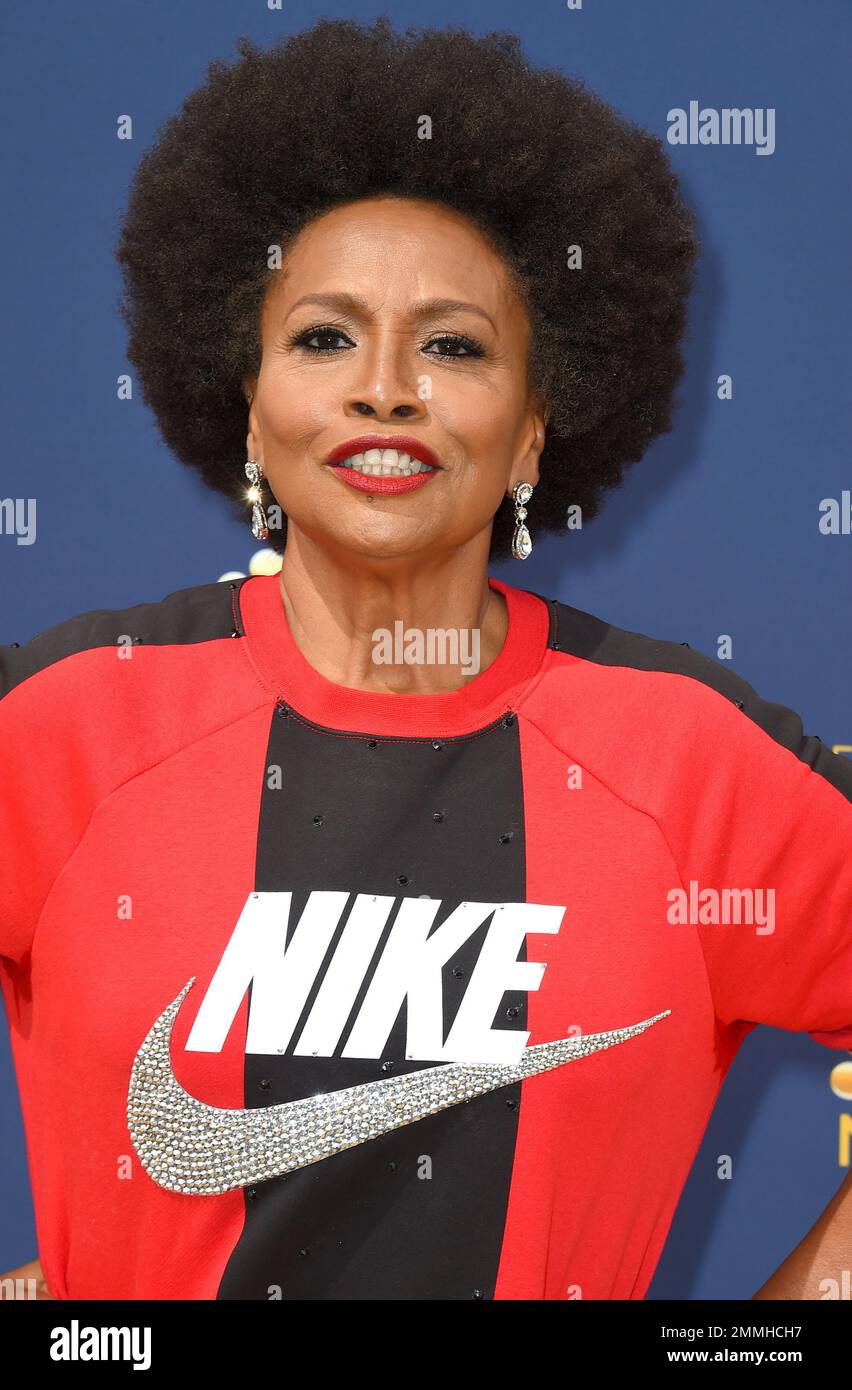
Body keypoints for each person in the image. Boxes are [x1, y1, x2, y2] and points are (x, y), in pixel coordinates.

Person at [1, 17, 850, 1302]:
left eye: (453, 346)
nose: (385, 388)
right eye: (324, 337)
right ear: (248, 404)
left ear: (530, 434)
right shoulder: (64, 724)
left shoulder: (688, 764)